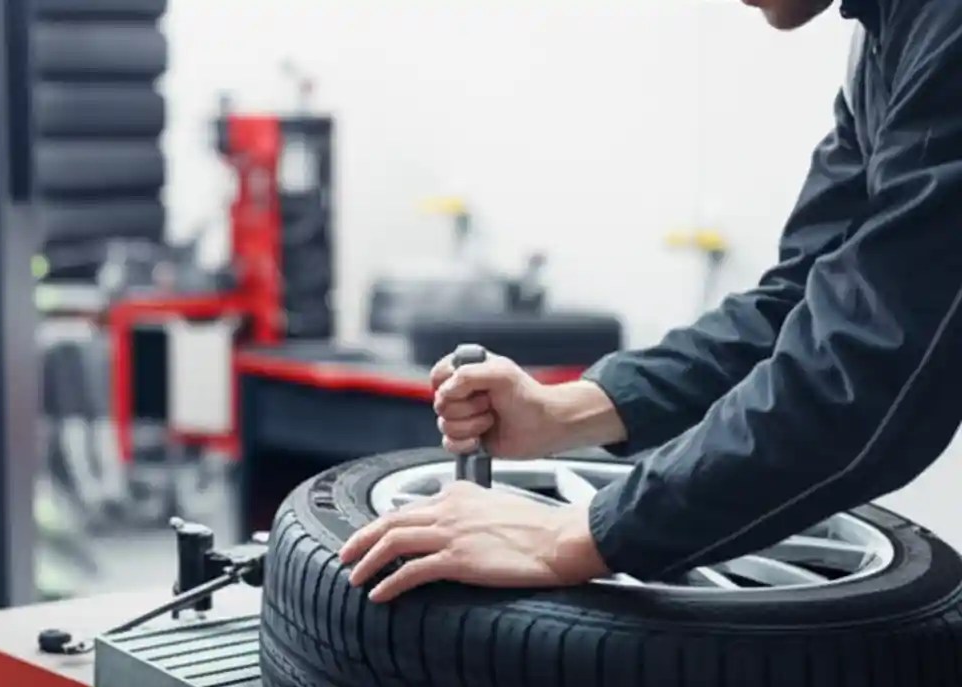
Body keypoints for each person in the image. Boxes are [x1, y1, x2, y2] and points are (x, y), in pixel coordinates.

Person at [340, 0, 962, 604]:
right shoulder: (888, 33)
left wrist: (575, 534)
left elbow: (870, 368)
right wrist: (573, 411)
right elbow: (799, 302)